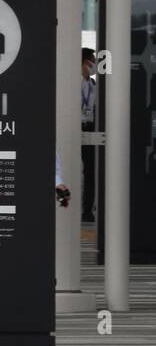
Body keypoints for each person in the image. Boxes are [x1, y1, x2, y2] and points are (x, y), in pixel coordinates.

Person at [80, 47, 97, 222]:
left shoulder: (94, 85)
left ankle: (87, 210)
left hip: (90, 129)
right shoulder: (71, 84)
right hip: (73, 127)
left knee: (90, 171)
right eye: (90, 61)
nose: (92, 65)